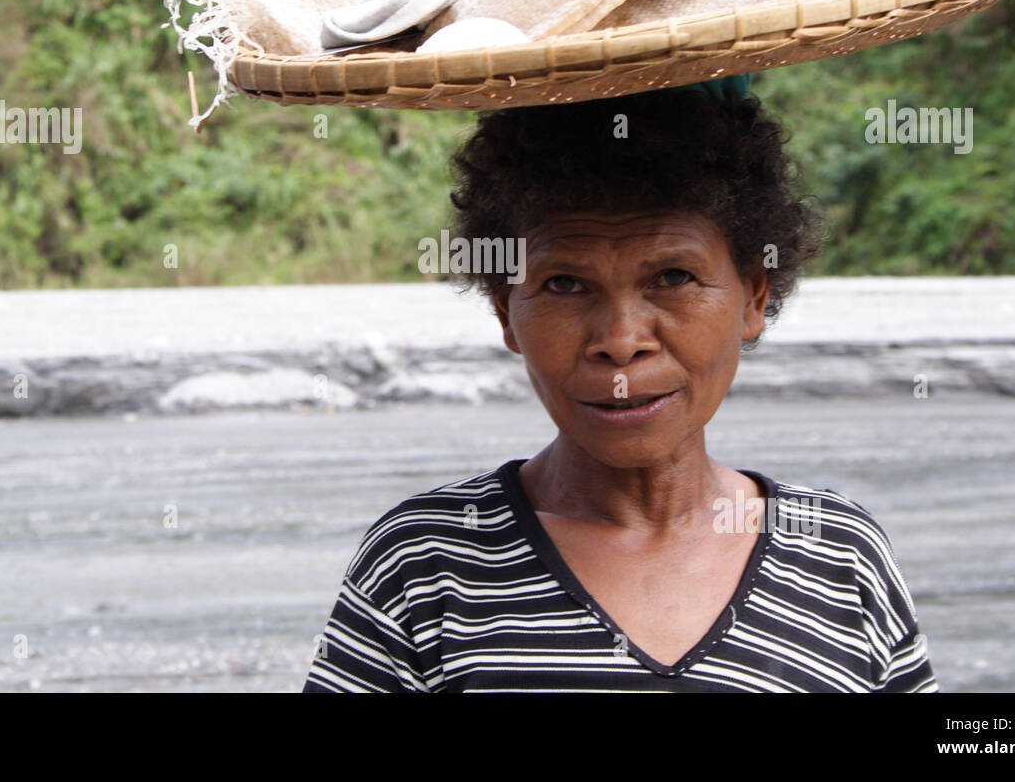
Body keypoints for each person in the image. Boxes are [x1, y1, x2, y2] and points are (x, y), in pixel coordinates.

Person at [303, 81, 938, 692]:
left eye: (672, 276)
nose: (621, 338)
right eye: (564, 284)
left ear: (754, 294)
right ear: (506, 311)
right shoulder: (426, 563)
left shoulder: (835, 552)